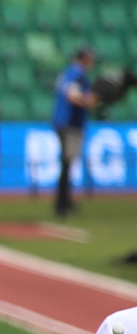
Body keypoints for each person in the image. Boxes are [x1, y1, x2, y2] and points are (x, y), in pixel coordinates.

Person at [53, 47, 99, 219]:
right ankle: (62, 203)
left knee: (68, 163)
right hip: (69, 124)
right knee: (67, 163)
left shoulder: (70, 72)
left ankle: (65, 200)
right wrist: (88, 102)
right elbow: (71, 95)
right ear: (84, 58)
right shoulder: (76, 73)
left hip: (65, 122)